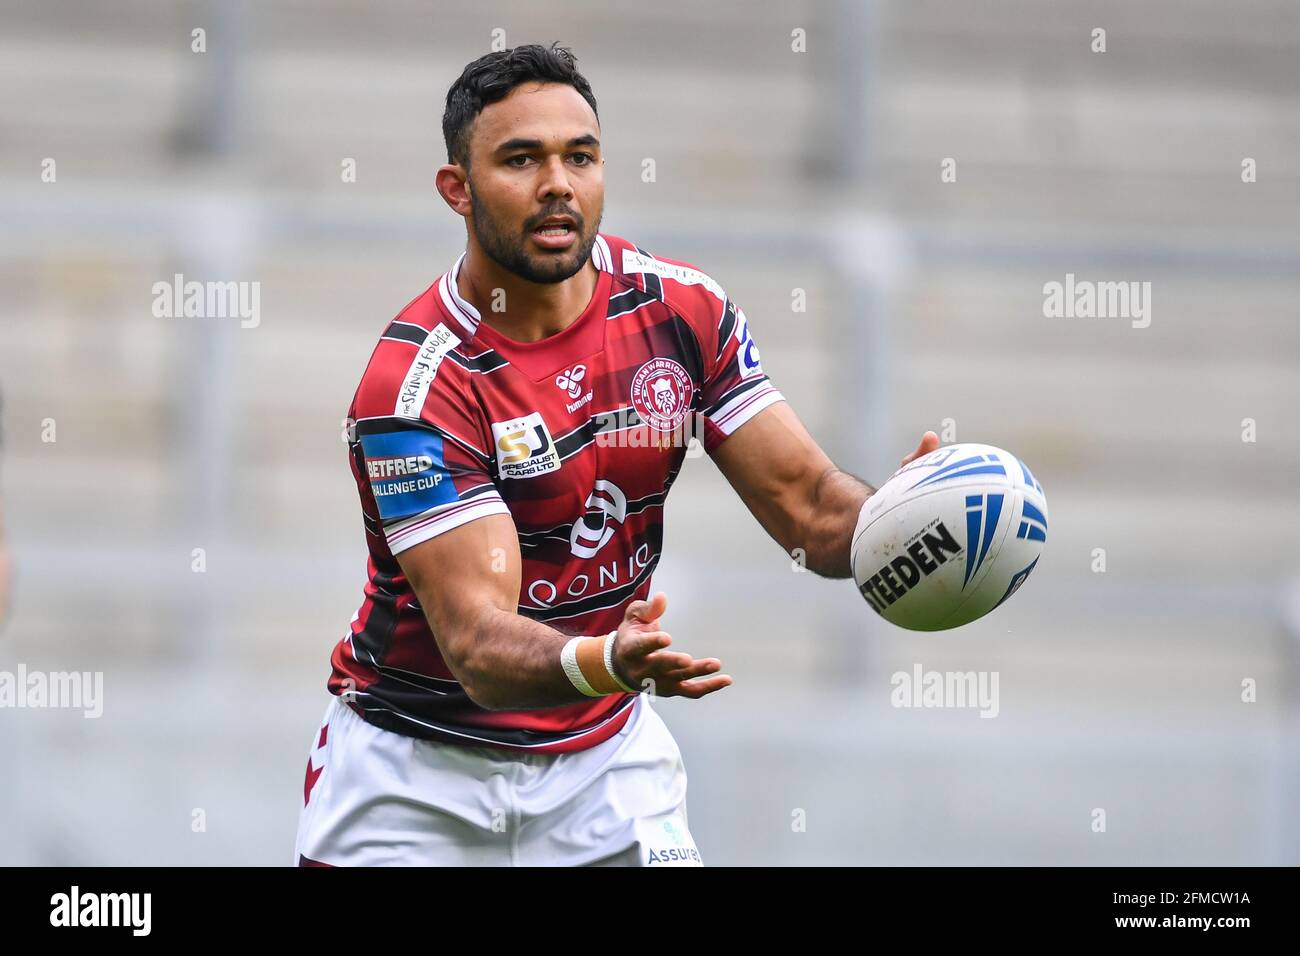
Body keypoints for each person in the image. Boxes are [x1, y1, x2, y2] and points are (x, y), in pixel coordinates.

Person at [294, 42, 938, 867]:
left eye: (580, 157)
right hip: (414, 774)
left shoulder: (681, 312)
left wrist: (899, 517)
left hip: (603, 767)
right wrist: (605, 659)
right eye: (520, 159)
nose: (557, 182)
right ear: (457, 190)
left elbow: (811, 511)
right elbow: (478, 647)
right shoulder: (417, 386)